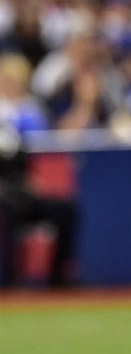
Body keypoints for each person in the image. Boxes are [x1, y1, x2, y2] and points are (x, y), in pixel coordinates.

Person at [0, 123, 78, 287]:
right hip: (7, 204)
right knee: (9, 211)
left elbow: (28, 177)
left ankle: (59, 276)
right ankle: (11, 278)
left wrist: (32, 186)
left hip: (25, 199)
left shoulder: (14, 142)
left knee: (66, 210)